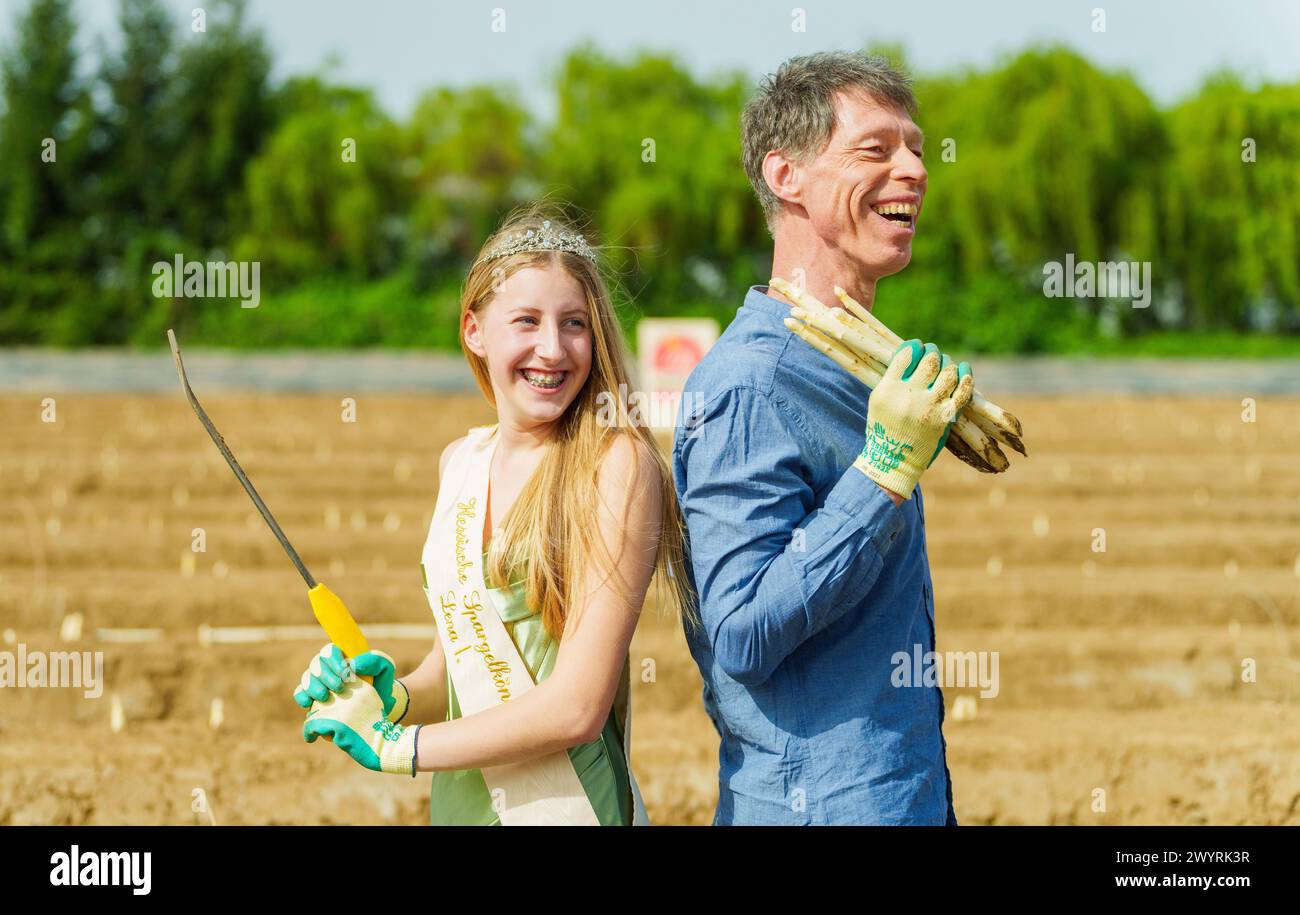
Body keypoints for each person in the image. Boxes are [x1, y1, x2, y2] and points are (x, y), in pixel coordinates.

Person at [293, 204, 694, 825]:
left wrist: (403, 748)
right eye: (526, 322)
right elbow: (453, 669)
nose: (553, 349)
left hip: (571, 809)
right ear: (474, 330)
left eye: (574, 324)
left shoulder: (616, 465)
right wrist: (390, 698)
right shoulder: (459, 462)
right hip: (463, 809)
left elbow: (577, 707)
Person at [671, 51, 973, 825]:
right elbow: (740, 631)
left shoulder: (857, 367)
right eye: (876, 149)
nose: (914, 169)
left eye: (917, 148)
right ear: (787, 176)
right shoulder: (750, 384)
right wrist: (883, 471)